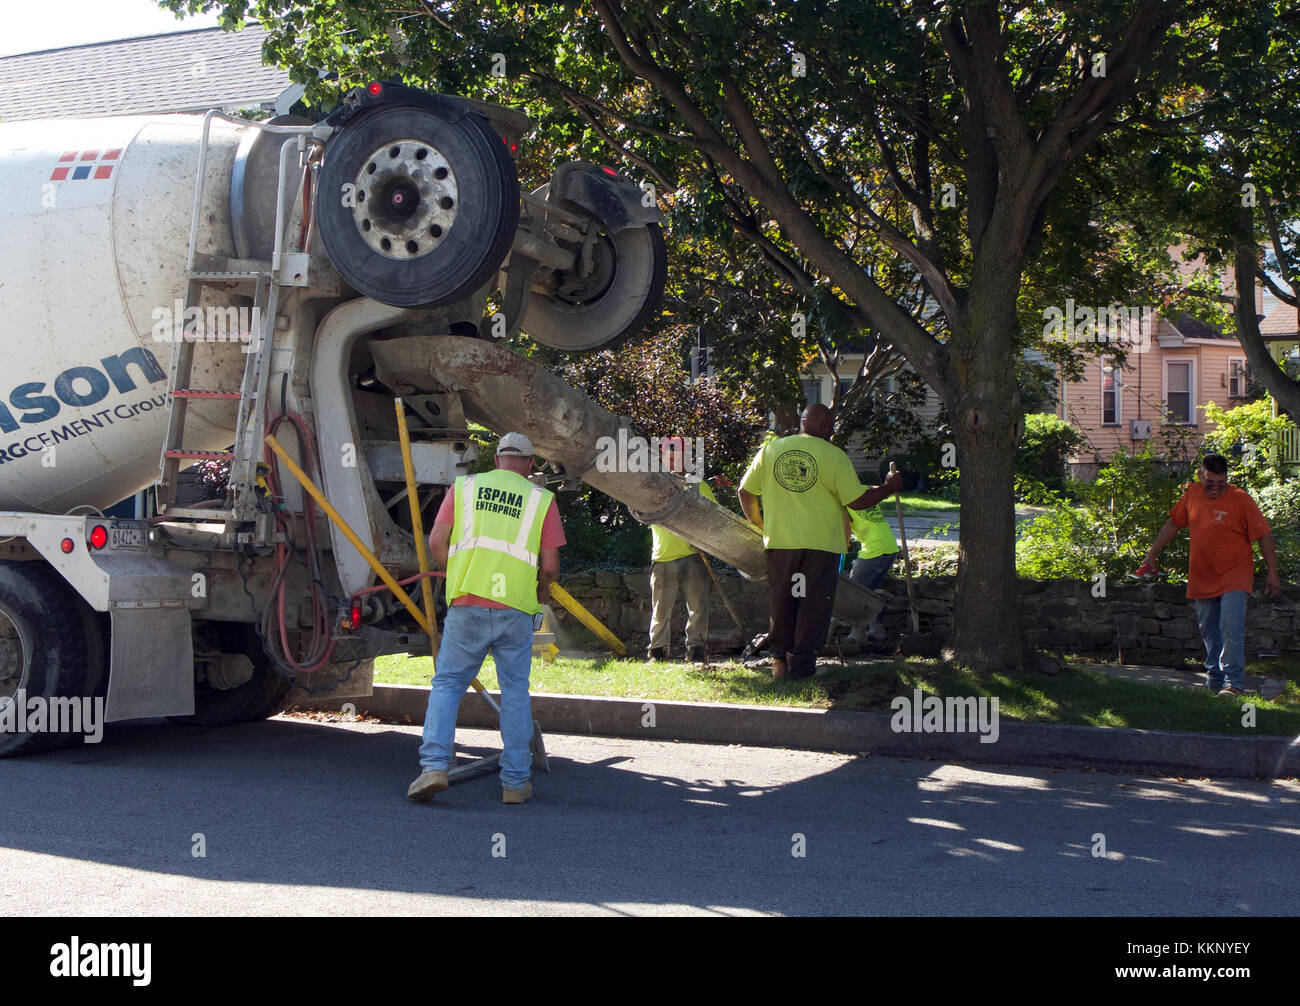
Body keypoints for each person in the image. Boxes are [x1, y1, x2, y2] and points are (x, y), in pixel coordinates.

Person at [408, 432, 564, 805]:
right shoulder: (541, 499)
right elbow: (551, 566)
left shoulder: (464, 488)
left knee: (447, 684)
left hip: (467, 603)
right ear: (528, 465)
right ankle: (514, 782)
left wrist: (458, 574)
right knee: (514, 692)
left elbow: (435, 543)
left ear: (496, 460)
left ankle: (433, 767)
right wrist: (542, 591)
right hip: (516, 609)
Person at [737, 404, 902, 679]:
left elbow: (745, 491)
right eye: (832, 425)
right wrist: (887, 489)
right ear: (826, 426)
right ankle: (801, 669)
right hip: (820, 547)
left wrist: (761, 524)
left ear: (802, 422)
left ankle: (779, 663)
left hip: (781, 544)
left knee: (784, 602)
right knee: (812, 605)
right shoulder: (834, 456)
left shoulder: (770, 450)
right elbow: (857, 501)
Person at [1141, 453, 1280, 697]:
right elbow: (1173, 523)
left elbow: (1264, 535)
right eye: (1210, 482)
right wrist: (1151, 555)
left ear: (1227, 478)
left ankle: (1234, 683)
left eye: (1221, 482)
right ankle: (1214, 681)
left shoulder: (1241, 499)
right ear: (1200, 475)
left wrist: (1272, 572)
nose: (1215, 487)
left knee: (1230, 628)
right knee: (1208, 631)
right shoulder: (1192, 494)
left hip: (1234, 575)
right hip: (1203, 575)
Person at [647, 437, 715, 663]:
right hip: (664, 556)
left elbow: (713, 517)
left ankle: (696, 652)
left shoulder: (699, 486)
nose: (674, 461)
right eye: (670, 456)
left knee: (698, 608)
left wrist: (703, 539)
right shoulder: (652, 485)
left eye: (679, 456)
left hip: (693, 555)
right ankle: (657, 652)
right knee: (660, 611)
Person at [844, 502, 901, 643]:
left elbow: (844, 535)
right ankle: (877, 631)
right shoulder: (863, 493)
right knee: (870, 592)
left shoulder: (843, 503)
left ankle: (857, 634)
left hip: (874, 550)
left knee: (855, 591)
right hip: (889, 547)